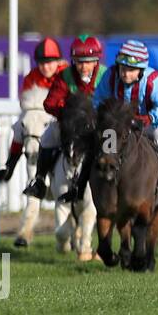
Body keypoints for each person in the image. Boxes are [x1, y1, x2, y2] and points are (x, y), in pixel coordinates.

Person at [92, 39, 158, 202]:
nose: (125, 74)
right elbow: (98, 99)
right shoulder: (110, 76)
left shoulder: (154, 80)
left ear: (141, 69)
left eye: (130, 70)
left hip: (148, 124)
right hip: (117, 127)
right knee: (99, 143)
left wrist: (149, 117)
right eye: (122, 68)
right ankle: (83, 184)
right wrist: (105, 116)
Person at [19, 34, 104, 200]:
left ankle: (115, 178)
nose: (83, 66)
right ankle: (40, 180)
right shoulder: (65, 75)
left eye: (88, 61)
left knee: (114, 141)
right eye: (79, 61)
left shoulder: (105, 75)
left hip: (98, 124)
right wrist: (68, 113)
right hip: (71, 124)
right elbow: (50, 103)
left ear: (96, 61)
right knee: (47, 137)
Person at [0, 37, 67, 183]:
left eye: (49, 63)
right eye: (42, 63)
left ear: (58, 61)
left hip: (62, 115)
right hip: (39, 115)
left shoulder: (66, 73)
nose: (45, 67)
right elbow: (25, 102)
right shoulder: (32, 76)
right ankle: (9, 167)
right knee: (19, 126)